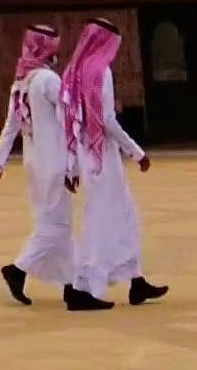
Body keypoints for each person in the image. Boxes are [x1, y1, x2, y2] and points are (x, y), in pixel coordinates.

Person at [60, 17, 167, 307]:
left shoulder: (73, 72)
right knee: (102, 221)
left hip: (86, 156)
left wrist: (71, 166)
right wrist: (136, 151)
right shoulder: (99, 71)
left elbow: (68, 123)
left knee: (124, 215)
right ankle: (83, 289)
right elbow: (106, 120)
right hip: (101, 158)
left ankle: (136, 280)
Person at [0, 23, 84, 307]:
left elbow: (10, 127)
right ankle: (17, 269)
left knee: (53, 224)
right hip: (54, 163)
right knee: (57, 226)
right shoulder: (47, 81)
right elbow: (70, 121)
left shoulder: (21, 84)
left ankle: (71, 288)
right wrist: (73, 166)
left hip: (33, 164)